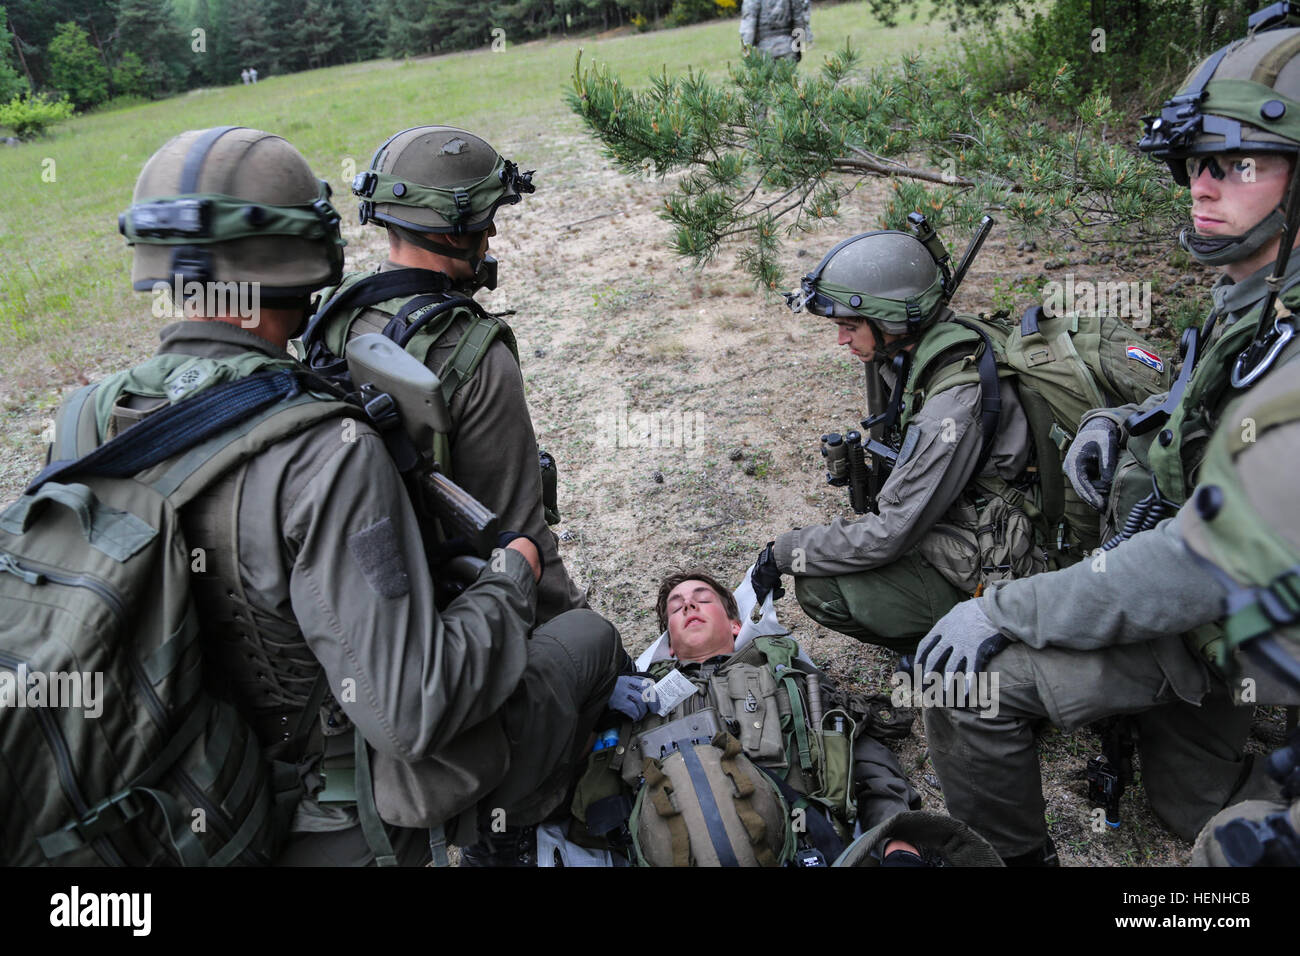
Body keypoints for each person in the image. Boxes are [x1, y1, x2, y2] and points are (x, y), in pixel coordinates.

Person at [95, 125, 623, 865]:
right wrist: (517, 574)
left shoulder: (88, 421)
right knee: (590, 643)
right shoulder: (326, 450)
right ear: (311, 252)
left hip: (173, 792)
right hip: (344, 810)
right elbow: (412, 709)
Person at [915, 17, 1300, 866]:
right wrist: (1118, 421)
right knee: (1185, 810)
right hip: (1225, 621)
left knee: (968, 683)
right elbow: (1214, 402)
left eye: (1238, 164)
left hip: (1236, 619)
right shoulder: (1263, 294)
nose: (1203, 188)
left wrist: (1001, 608)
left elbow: (1195, 564)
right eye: (1196, 164)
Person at [296, 125, 585, 625]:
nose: (492, 234)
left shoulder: (336, 309)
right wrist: (581, 632)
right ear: (456, 230)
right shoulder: (476, 355)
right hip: (459, 615)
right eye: (488, 220)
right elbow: (522, 540)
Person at [568, 570, 1001, 866]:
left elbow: (859, 752)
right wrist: (599, 708)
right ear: (670, 645)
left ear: (736, 626)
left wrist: (897, 841)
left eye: (703, 598)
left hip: (795, 844)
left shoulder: (784, 673)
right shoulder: (636, 697)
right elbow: (583, 784)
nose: (689, 607)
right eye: (677, 607)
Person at [748, 228, 1036, 657]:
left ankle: (960, 648)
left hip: (1014, 568)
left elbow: (889, 533)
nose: (841, 340)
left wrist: (784, 553)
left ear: (892, 320)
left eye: (849, 326)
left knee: (820, 583)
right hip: (981, 517)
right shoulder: (937, 346)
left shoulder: (950, 408)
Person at [740, 0, 811, 61]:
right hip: (787, 47)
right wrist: (799, 47)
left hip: (763, 49)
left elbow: (748, 25)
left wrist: (747, 50)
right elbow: (799, 20)